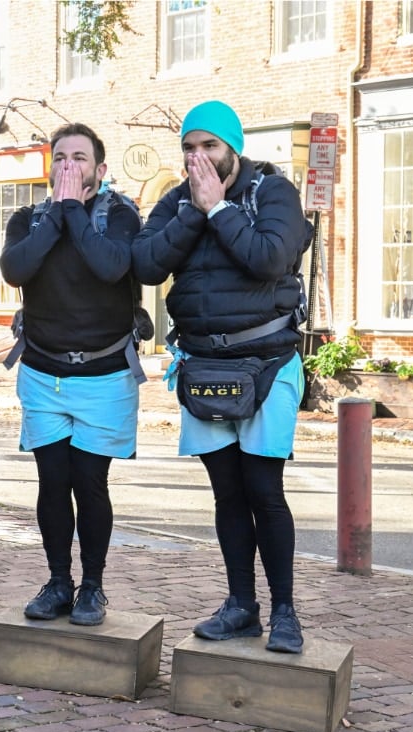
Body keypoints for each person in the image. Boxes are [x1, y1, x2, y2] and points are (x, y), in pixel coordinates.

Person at [131, 100, 313, 654]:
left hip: (268, 363)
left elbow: (269, 258)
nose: (199, 158)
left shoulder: (272, 192)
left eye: (210, 146)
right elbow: (144, 265)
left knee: (264, 490)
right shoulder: (175, 201)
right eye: (189, 148)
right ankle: (241, 606)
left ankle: (284, 611)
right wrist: (194, 210)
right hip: (203, 365)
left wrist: (217, 210)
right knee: (227, 494)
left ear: (233, 147)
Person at [0, 122, 142, 626]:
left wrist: (74, 213)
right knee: (52, 482)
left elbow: (110, 267)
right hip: (43, 373)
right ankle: (58, 581)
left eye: (80, 158)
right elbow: (16, 270)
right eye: (60, 157)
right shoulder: (27, 219)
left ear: (99, 171)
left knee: (90, 483)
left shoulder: (120, 215)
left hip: (104, 375)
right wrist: (56, 218)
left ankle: (93, 588)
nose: (68, 166)